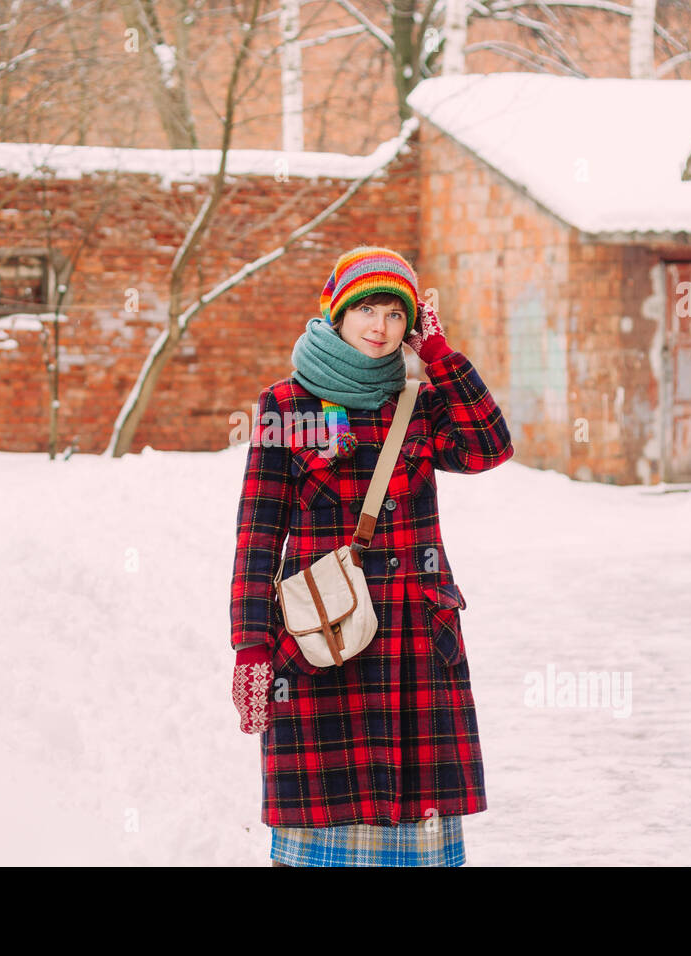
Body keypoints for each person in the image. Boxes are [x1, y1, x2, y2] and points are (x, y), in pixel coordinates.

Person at [229, 245, 515, 867]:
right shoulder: (287, 405)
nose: (380, 327)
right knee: (319, 828)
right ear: (336, 313)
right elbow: (257, 533)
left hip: (415, 634)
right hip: (320, 640)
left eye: (394, 313)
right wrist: (250, 643)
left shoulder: (423, 398)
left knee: (416, 823)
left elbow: (489, 447)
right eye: (366, 310)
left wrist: (441, 357)